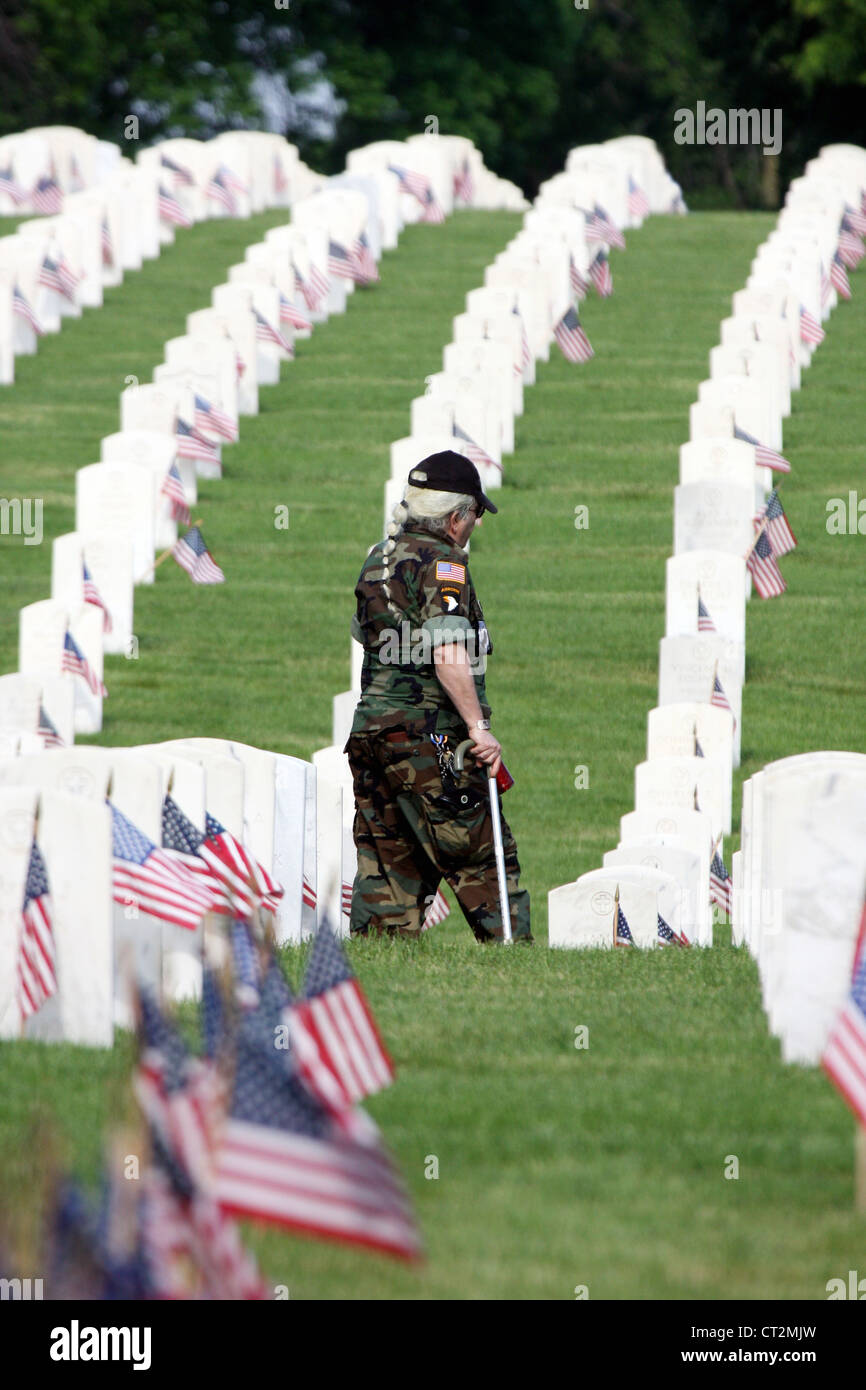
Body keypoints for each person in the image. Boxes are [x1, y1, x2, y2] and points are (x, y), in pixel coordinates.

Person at [344, 450, 532, 942]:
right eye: (474, 516)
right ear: (454, 518)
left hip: (371, 736)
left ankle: (378, 973)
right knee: (481, 856)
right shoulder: (446, 564)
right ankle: (513, 959)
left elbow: (370, 643)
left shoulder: (377, 559)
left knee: (388, 867)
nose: (475, 527)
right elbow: (449, 653)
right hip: (430, 742)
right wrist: (478, 729)